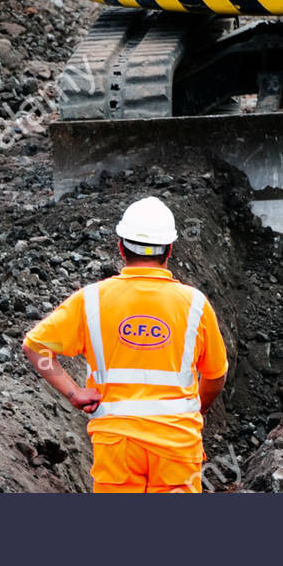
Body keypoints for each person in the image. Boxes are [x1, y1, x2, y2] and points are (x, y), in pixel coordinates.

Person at [22, 196, 228, 493]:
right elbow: (215, 378)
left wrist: (74, 393)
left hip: (116, 445)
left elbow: (35, 347)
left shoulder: (91, 300)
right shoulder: (195, 305)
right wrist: (197, 409)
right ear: (169, 250)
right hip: (177, 446)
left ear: (120, 247)